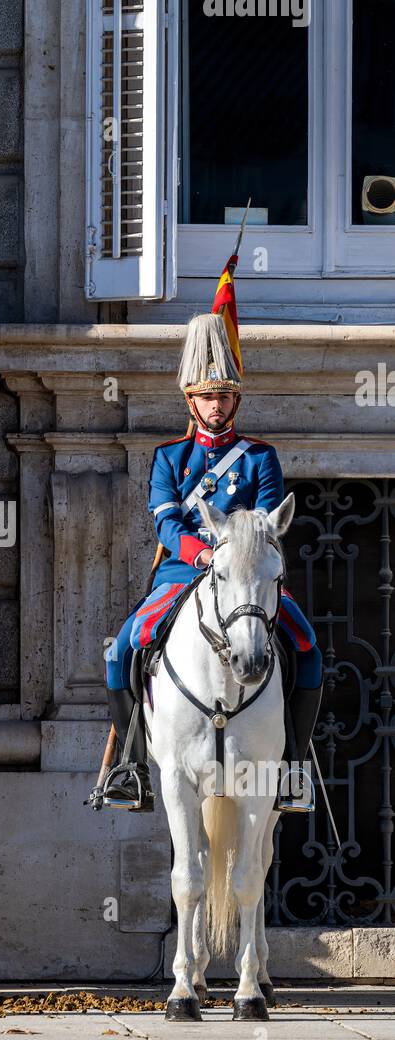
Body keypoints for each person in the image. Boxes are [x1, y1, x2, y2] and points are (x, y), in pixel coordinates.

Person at [102, 312, 323, 813]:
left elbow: (263, 520)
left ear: (235, 401)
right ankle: (132, 768)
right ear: (191, 401)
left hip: (247, 573)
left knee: (306, 646)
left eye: (224, 396)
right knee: (121, 651)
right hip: (183, 572)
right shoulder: (170, 457)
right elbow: (165, 523)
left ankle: (292, 769)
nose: (216, 405)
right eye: (207, 396)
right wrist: (201, 552)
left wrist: (230, 553)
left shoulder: (259, 458)